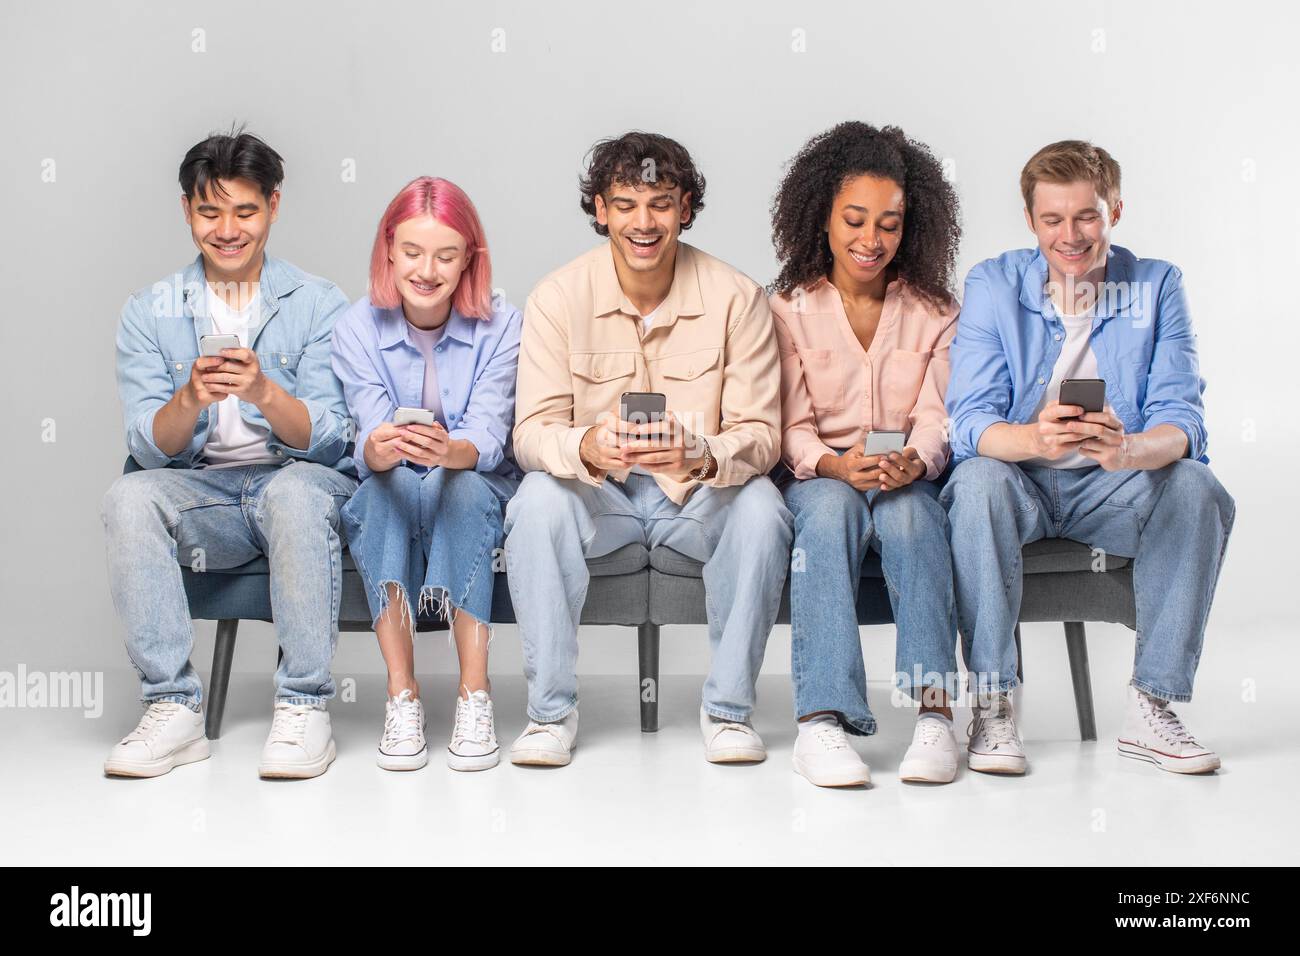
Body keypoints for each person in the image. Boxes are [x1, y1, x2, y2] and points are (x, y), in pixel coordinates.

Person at [942, 140, 1235, 775]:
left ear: (1116, 210)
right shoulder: (994, 284)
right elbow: (969, 424)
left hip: (1112, 487)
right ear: (1030, 221)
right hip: (1018, 482)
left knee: (1196, 487)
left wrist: (1128, 449)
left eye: (1087, 217)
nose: (1070, 236)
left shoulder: (1157, 285)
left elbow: (1183, 422)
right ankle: (993, 706)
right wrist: (1035, 440)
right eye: (1053, 220)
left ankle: (1150, 707)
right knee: (977, 482)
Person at [504, 131, 792, 767]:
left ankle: (728, 711)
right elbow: (529, 434)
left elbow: (762, 435)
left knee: (764, 506)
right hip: (597, 498)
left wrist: (700, 453)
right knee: (534, 502)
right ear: (601, 209)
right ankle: (550, 715)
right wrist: (590, 446)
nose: (644, 222)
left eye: (660, 203)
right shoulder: (557, 298)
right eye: (626, 204)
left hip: (696, 502)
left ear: (685, 207)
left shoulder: (736, 297)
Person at [101, 127, 357, 779]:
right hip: (202, 496)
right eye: (210, 211)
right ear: (187, 210)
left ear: (274, 206)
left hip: (291, 486)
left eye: (245, 211)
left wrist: (264, 391)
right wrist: (188, 398)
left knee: (298, 490)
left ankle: (304, 705)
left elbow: (335, 439)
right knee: (128, 496)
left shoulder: (317, 302)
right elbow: (145, 448)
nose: (228, 228)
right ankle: (173, 709)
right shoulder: (147, 311)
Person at [769, 122, 964, 787]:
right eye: (854, 220)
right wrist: (832, 464)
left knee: (914, 518)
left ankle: (935, 715)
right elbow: (789, 427)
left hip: (903, 475)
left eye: (889, 224)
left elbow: (938, 417)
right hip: (823, 474)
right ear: (821, 217)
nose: (870, 240)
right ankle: (822, 721)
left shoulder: (936, 310)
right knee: (825, 518)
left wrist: (916, 459)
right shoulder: (788, 309)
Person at [332, 176, 521, 772]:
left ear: (469, 258)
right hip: (394, 484)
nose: (427, 269)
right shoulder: (356, 326)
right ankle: (402, 695)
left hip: (467, 480)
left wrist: (450, 451)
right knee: (380, 492)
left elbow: (491, 435)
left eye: (445, 254)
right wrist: (382, 449)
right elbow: (366, 431)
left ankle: (474, 695)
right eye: (412, 252)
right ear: (388, 250)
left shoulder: (502, 323)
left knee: (461, 488)